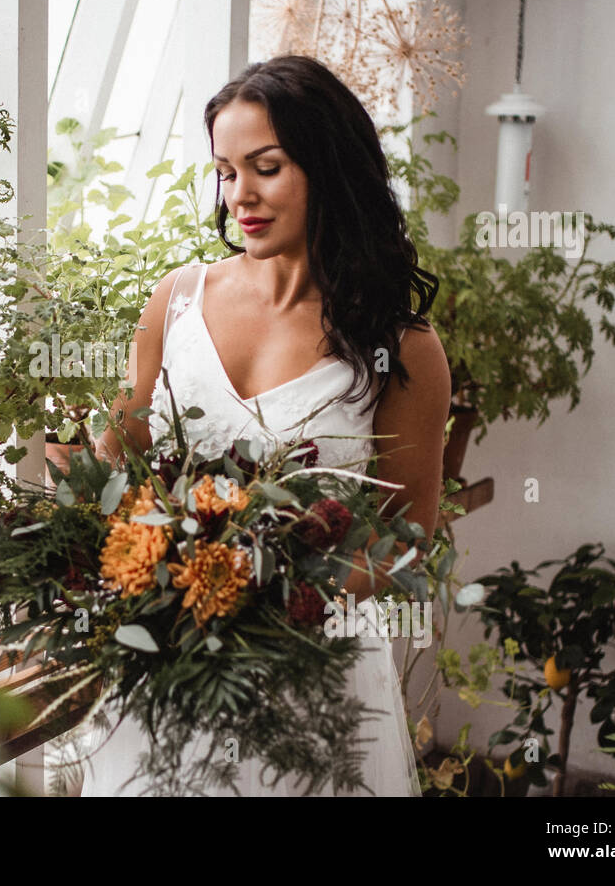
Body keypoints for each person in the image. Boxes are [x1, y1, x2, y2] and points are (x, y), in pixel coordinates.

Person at [81, 54, 451, 796]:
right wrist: (125, 527)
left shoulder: (402, 346)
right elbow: (118, 451)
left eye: (267, 167)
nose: (239, 195)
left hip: (311, 677)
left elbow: (410, 531)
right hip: (169, 658)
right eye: (224, 171)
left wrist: (289, 598)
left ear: (328, 168)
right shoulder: (176, 301)